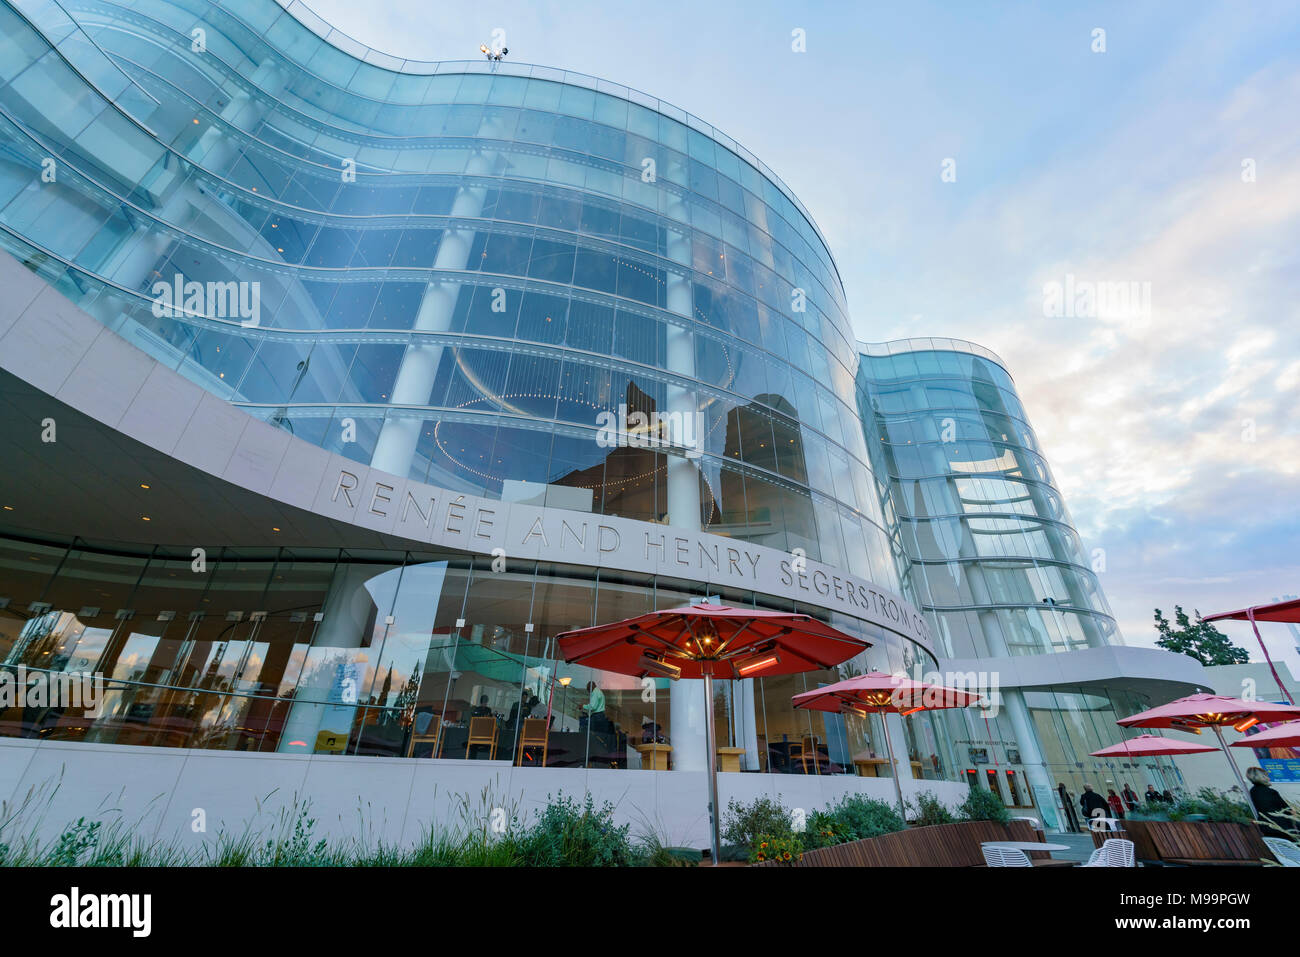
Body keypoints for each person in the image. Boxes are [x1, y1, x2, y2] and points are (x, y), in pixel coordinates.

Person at [1247, 766, 1298, 839]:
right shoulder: (1271, 792)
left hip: (1266, 827)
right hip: (1282, 828)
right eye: (1266, 775)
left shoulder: (1253, 791)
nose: (1268, 777)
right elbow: (1288, 810)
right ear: (1263, 777)